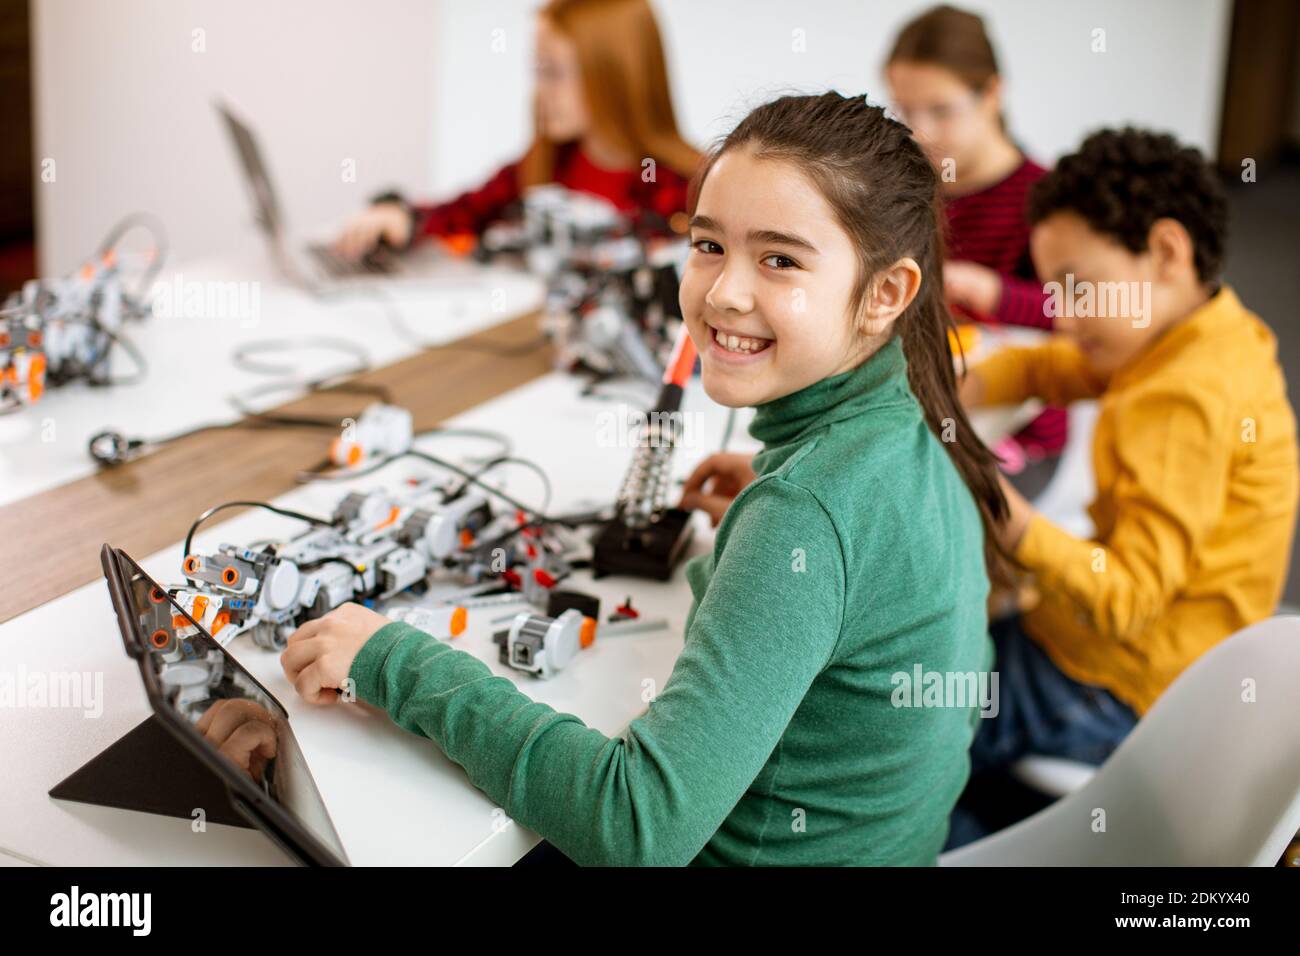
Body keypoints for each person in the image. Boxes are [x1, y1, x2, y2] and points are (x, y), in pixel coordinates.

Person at [279, 92, 1008, 865]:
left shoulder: (805, 514)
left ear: (887, 293)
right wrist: (769, 529)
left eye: (780, 259)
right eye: (707, 245)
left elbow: (637, 829)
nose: (723, 292)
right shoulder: (917, 439)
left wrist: (395, 661)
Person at [948, 128, 1299, 847]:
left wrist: (1001, 508)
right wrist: (961, 385)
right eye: (1053, 293)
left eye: (1079, 288)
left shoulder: (1185, 398)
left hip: (1126, 680)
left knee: (917, 727)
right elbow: (1052, 364)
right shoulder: (1193, 331)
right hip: (1169, 651)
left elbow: (1127, 598)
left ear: (1166, 252)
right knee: (965, 648)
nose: (1064, 315)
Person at [333, 0, 700, 261]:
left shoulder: (686, 193)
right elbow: (465, 212)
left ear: (614, 77)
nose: (540, 91)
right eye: (537, 70)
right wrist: (402, 218)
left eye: (554, 73)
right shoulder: (545, 166)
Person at [885, 4, 1064, 489]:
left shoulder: (1044, 200)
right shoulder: (911, 189)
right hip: (920, 405)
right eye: (905, 110)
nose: (920, 131)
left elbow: (1080, 313)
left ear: (992, 93)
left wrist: (993, 292)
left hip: (1017, 432)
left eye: (941, 110)